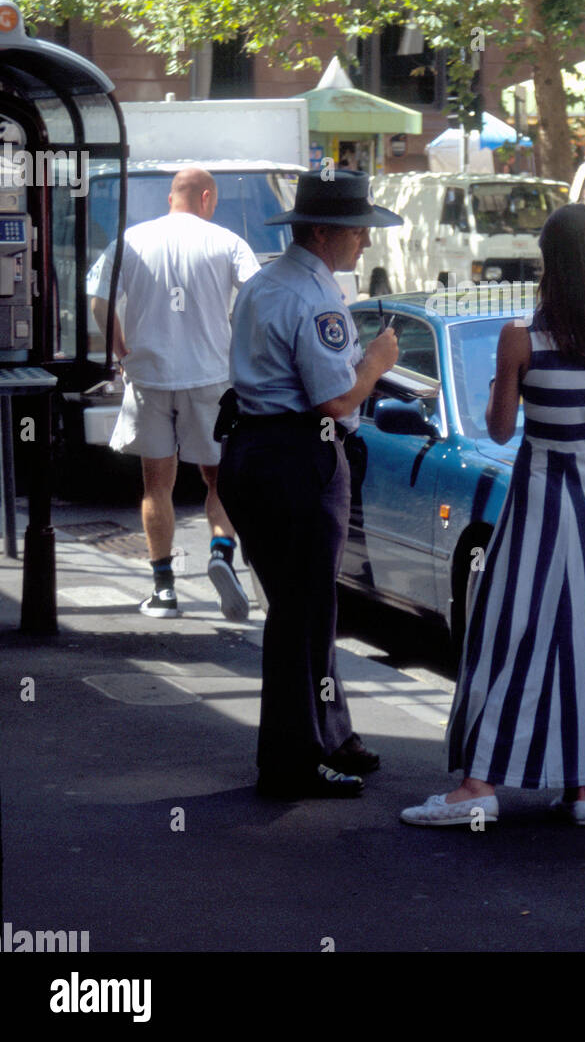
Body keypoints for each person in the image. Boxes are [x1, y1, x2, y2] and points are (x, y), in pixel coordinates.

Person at [401, 201, 585, 828]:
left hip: (543, 497)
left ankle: (479, 785)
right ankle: (580, 792)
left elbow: (497, 429)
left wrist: (504, 380)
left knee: (511, 630)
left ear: (551, 263)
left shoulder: (522, 336)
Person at [216, 169, 401, 800]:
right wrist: (377, 362)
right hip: (299, 459)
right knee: (302, 614)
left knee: (305, 607)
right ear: (323, 233)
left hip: (254, 451)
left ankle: (328, 734)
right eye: (357, 232)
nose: (365, 245)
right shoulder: (314, 298)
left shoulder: (268, 282)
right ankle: (292, 759)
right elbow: (335, 400)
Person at [88, 167, 259, 621]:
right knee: (218, 478)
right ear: (206, 198)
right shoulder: (227, 242)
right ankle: (221, 552)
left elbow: (97, 302)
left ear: (171, 198)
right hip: (210, 378)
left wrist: (121, 348)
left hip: (149, 377)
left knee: (156, 485)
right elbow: (258, 296)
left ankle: (164, 591)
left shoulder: (132, 240)